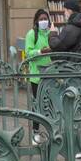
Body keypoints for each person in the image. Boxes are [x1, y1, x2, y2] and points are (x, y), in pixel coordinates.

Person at [23, 9, 53, 139]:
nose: (43, 21)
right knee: (37, 105)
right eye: (41, 19)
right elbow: (28, 53)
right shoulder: (31, 34)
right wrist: (40, 51)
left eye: (45, 19)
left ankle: (52, 131)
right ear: (36, 21)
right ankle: (35, 133)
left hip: (51, 74)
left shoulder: (51, 33)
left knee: (51, 104)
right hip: (36, 76)